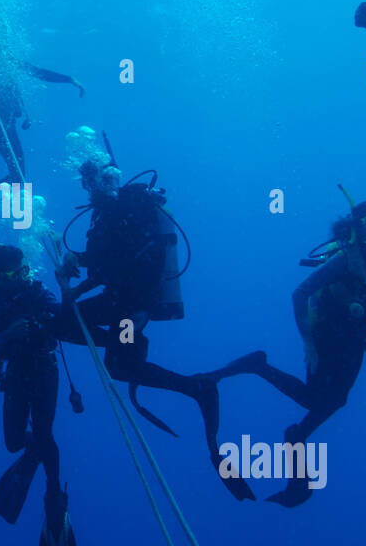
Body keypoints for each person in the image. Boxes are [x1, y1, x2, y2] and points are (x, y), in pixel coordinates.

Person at [56, 160, 245, 497]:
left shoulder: (124, 209)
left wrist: (78, 290)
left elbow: (119, 263)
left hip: (132, 308)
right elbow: (103, 258)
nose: (91, 188)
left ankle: (197, 388)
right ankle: (145, 359)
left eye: (94, 181)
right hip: (117, 301)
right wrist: (75, 260)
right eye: (87, 182)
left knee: (118, 366)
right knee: (63, 323)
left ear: (105, 181)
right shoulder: (107, 213)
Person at [216, 197, 366, 507]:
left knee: (337, 400)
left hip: (355, 339)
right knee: (317, 398)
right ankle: (261, 371)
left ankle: (295, 437)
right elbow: (300, 293)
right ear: (359, 229)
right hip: (326, 337)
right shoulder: (347, 259)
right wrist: (308, 342)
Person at [0, 245, 82, 546]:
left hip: (45, 373)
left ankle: (54, 495)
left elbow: (65, 321)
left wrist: (64, 291)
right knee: (13, 443)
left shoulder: (39, 293)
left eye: (17, 272)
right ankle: (34, 454)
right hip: (15, 376)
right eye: (5, 275)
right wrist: (9, 333)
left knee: (44, 432)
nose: (13, 279)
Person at [0, 22, 85, 182]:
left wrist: (68, 79)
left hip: (7, 127)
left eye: (0, 37)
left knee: (18, 176)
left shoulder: (8, 61)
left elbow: (37, 72)